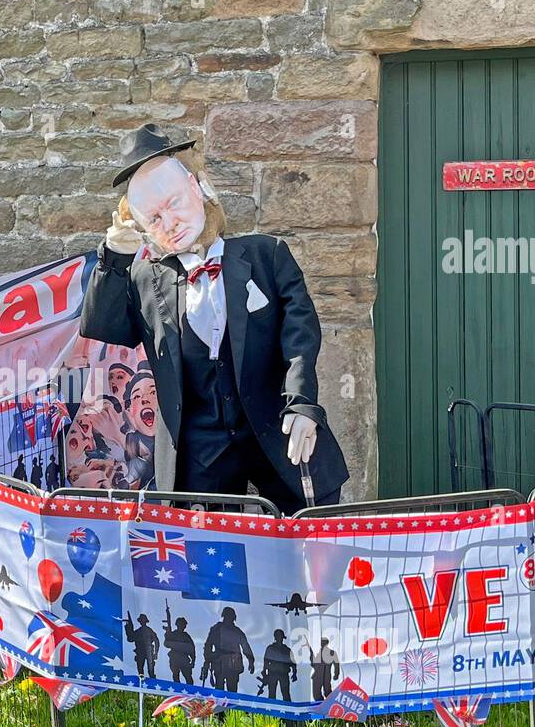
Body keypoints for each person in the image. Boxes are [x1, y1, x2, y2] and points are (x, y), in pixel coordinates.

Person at [80, 123, 348, 514]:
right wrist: (114, 257)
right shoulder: (144, 278)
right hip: (200, 450)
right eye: (153, 218)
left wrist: (302, 405)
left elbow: (300, 339)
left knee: (306, 534)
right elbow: (102, 326)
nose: (169, 223)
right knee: (206, 548)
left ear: (195, 188)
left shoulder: (267, 255)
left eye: (173, 203)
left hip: (275, 427)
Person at [202, 606, 254, 692]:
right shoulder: (216, 629)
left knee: (232, 691)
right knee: (219, 690)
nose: (229, 618)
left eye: (230, 616)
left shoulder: (237, 631)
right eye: (228, 616)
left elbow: (245, 647)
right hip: (220, 662)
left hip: (233, 664)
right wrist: (207, 660)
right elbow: (208, 645)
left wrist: (251, 661)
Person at [259, 628, 299, 701]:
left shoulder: (286, 650)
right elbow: (266, 661)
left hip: (283, 674)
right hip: (273, 673)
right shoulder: (271, 648)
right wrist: (264, 672)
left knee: (285, 694)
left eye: (280, 636)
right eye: (278, 636)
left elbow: (293, 663)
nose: (279, 638)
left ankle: (287, 707)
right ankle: (272, 707)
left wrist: (294, 673)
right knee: (272, 694)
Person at [124, 611, 160, 679]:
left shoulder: (148, 630)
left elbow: (156, 641)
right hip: (141, 652)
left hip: (148, 651)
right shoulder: (139, 631)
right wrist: (128, 627)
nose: (142, 622)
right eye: (141, 620)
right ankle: (142, 679)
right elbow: (130, 639)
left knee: (150, 671)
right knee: (141, 670)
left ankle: (151, 679)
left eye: (142, 620)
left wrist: (156, 653)